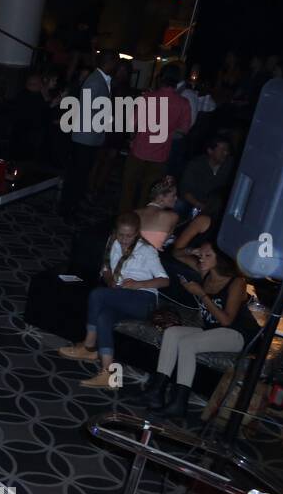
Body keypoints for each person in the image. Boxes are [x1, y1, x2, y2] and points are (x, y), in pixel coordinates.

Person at [136, 244, 256, 420]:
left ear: (220, 260)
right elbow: (177, 253)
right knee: (172, 333)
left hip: (236, 334)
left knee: (187, 343)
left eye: (207, 255)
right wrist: (193, 250)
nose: (201, 258)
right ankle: (156, 392)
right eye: (202, 254)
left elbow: (227, 320)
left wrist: (202, 295)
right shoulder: (206, 272)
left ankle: (179, 403)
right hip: (212, 330)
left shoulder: (237, 282)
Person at [57, 212, 169, 388]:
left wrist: (139, 284)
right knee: (104, 317)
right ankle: (109, 376)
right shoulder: (114, 243)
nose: (124, 240)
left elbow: (164, 280)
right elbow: (106, 269)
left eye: (129, 236)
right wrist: (110, 281)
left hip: (143, 300)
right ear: (116, 232)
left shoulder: (147, 250)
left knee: (97, 295)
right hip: (121, 296)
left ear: (137, 233)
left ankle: (89, 345)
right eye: (121, 235)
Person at [117, 64, 192, 214]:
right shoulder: (183, 103)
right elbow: (183, 131)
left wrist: (133, 137)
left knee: (128, 190)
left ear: (160, 79)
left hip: (139, 150)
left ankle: (124, 223)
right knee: (149, 195)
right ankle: (141, 225)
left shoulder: (147, 98)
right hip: (160, 155)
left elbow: (132, 124)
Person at [60, 49, 118, 220]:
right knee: (77, 176)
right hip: (85, 137)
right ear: (109, 62)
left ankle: (71, 207)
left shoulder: (101, 79)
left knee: (80, 175)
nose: (116, 66)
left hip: (89, 136)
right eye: (116, 62)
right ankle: (69, 209)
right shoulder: (94, 81)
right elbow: (87, 110)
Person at [180, 134, 233, 218]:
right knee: (179, 205)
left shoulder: (231, 165)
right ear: (210, 151)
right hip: (195, 203)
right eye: (222, 150)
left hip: (216, 207)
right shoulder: (196, 165)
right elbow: (185, 191)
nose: (226, 153)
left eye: (227, 150)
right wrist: (199, 205)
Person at [135, 176, 180, 249]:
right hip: (150, 258)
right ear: (160, 197)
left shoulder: (134, 213)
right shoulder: (172, 216)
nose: (176, 198)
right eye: (173, 195)